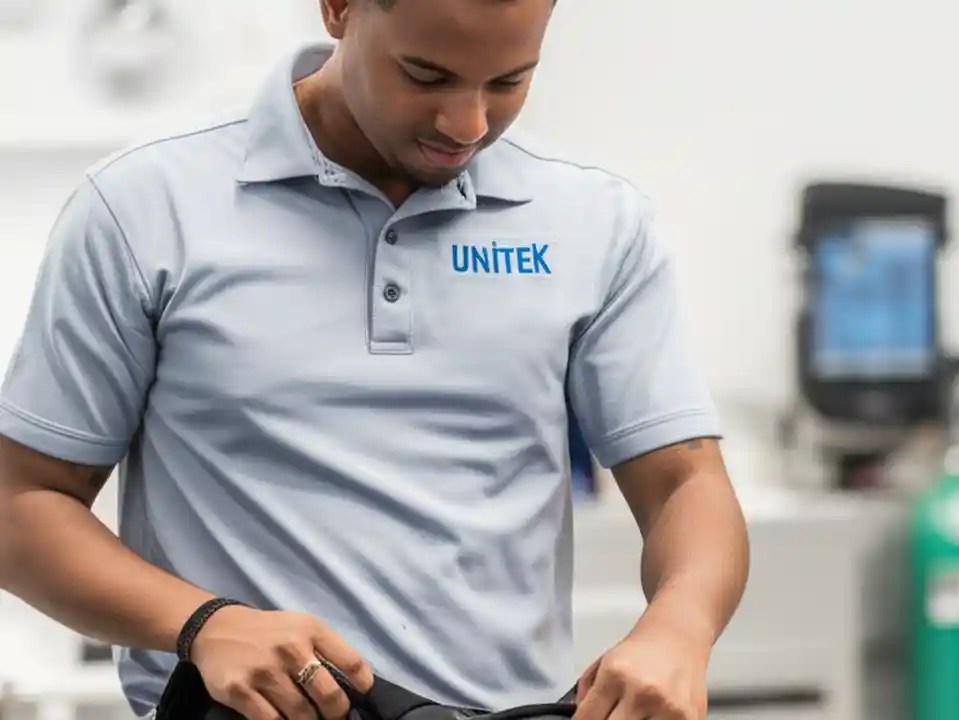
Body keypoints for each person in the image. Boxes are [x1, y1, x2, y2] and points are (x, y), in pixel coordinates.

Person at [0, 1, 750, 718]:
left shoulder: (595, 224)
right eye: (425, 75)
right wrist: (204, 624)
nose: (467, 124)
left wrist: (678, 631)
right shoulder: (142, 208)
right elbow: (20, 503)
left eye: (509, 81)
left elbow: (685, 484)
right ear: (337, 8)